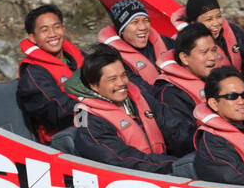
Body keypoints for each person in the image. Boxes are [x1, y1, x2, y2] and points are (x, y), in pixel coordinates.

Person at [66, 44, 174, 173]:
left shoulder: (140, 97)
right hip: (137, 177)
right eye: (112, 79)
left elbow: (175, 128)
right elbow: (122, 159)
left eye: (123, 76)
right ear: (94, 85)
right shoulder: (89, 122)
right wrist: (175, 165)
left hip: (164, 168)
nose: (121, 83)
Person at [16, 4, 84, 143]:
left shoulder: (77, 56)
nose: (53, 34)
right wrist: (94, 114)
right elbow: (54, 111)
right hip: (65, 138)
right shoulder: (33, 73)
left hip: (95, 123)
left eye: (57, 27)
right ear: (33, 38)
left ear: (63, 29)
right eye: (44, 30)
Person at [155, 22, 220, 155]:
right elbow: (181, 141)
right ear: (184, 58)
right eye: (204, 52)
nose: (212, 57)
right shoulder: (169, 94)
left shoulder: (221, 81)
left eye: (214, 50)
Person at [97, 0, 176, 98]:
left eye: (145, 20)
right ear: (122, 30)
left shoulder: (166, 42)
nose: (143, 27)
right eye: (135, 22)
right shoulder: (112, 60)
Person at [170, 0, 244, 71]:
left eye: (219, 16)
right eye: (209, 19)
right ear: (194, 23)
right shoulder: (182, 42)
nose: (216, 23)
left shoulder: (233, 31)